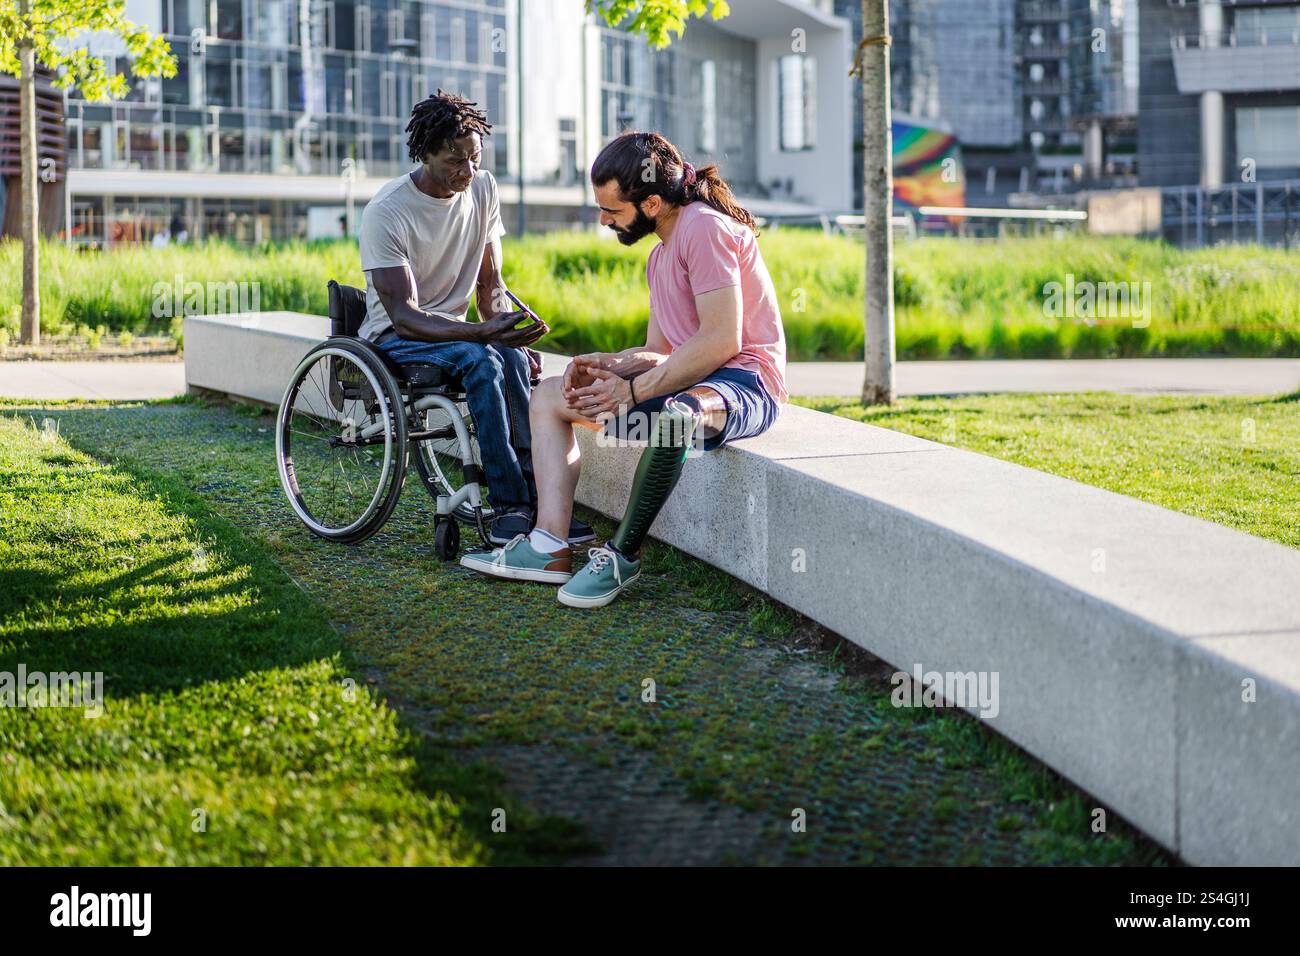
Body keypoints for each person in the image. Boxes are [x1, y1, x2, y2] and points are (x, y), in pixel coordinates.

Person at [462, 131, 786, 607]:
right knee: (552, 395)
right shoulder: (659, 256)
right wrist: (608, 364)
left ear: (652, 203)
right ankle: (549, 546)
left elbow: (722, 341)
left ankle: (621, 556)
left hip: (746, 385)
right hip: (692, 378)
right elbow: (662, 350)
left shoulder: (705, 229)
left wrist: (632, 395)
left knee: (678, 418)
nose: (603, 220)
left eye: (612, 211)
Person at [360, 89, 593, 546]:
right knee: (482, 361)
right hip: (397, 336)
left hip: (457, 333)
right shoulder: (386, 212)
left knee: (507, 360)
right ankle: (510, 506)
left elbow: (491, 289)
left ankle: (544, 506)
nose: (468, 171)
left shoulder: (483, 189)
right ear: (424, 153)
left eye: (475, 157)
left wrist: (508, 331)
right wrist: (482, 334)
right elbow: (405, 317)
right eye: (455, 160)